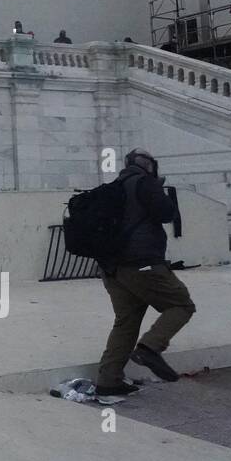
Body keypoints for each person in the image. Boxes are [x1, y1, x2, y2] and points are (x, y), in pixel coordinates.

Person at [94, 149, 194, 396]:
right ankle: (149, 348)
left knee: (126, 322)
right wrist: (158, 189)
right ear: (150, 166)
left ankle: (108, 381)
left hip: (112, 269)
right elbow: (166, 214)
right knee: (181, 305)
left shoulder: (113, 187)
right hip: (142, 264)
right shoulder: (146, 184)